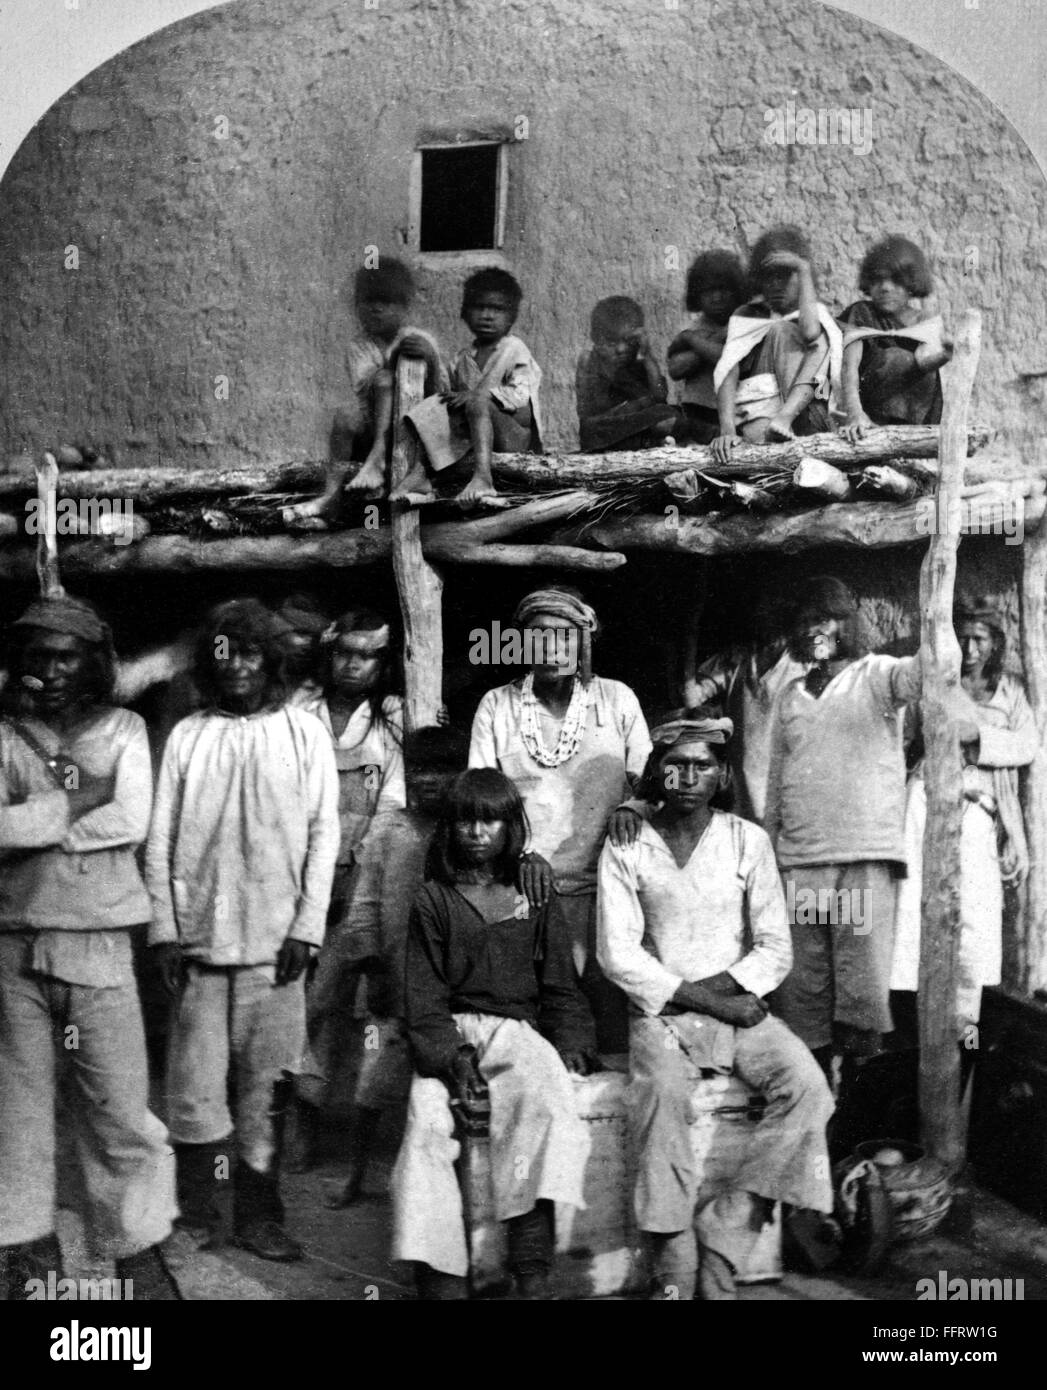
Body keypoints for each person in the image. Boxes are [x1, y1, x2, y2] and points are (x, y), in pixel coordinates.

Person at [597, 714, 834, 1299]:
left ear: (721, 774)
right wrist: (704, 1003)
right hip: (662, 1011)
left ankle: (727, 1231)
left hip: (735, 1002)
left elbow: (775, 946)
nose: (686, 776)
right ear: (656, 773)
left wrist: (720, 1001)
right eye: (674, 764)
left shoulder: (746, 840)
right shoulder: (628, 840)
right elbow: (617, 952)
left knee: (807, 1087)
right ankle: (673, 1259)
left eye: (701, 765)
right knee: (662, 1099)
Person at [146, 598, 340, 1263]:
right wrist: (166, 932)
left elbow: (324, 835)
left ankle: (260, 1216)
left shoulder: (304, 733)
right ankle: (197, 1213)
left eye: (250, 651)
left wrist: (307, 929)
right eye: (223, 651)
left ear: (272, 660)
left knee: (267, 1092)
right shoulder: (189, 736)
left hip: (276, 950)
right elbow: (160, 837)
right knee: (195, 1093)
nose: (236, 666)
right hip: (199, 948)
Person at [0, 596, 179, 1300]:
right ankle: (24, 1256)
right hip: (13, 944)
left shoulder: (124, 728)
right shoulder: (6, 732)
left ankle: (137, 1254)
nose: (50, 669)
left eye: (64, 655)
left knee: (119, 1109)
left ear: (93, 662)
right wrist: (78, 802)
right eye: (37, 655)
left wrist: (33, 823)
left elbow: (132, 819)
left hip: (99, 941)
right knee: (15, 1111)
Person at [390, 769, 598, 1300]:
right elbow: (425, 1001)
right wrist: (452, 1059)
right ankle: (441, 1274)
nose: (477, 832)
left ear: (511, 827)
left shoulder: (532, 889)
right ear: (449, 827)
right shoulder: (433, 899)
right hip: (450, 1033)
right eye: (465, 820)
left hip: (515, 1031)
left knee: (546, 1106)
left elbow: (559, 982)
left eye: (490, 820)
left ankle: (531, 1270)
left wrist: (572, 1038)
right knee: (428, 1123)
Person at [469, 585, 652, 1051]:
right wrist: (523, 852)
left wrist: (633, 804)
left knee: (612, 1014)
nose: (552, 649)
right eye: (538, 637)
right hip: (527, 885)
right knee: (541, 1015)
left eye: (564, 637)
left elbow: (650, 780)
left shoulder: (616, 700)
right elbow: (483, 797)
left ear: (584, 641)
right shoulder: (497, 706)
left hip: (609, 886)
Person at [764, 577, 922, 1084]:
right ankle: (812, 1097)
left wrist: (943, 628)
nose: (816, 629)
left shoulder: (878, 676)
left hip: (863, 855)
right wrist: (771, 849)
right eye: (807, 621)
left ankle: (858, 1108)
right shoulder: (789, 694)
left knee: (861, 986)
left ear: (848, 624)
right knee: (803, 985)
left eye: (827, 619)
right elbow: (775, 779)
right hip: (800, 859)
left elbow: (926, 676)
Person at [320, 725, 470, 1209]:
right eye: (420, 770)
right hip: (393, 980)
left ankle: (443, 1190)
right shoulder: (390, 831)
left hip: (450, 988)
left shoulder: (466, 832)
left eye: (442, 771)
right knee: (373, 1082)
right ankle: (357, 1175)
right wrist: (372, 968)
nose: (429, 781)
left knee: (446, 1087)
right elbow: (364, 906)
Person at [291, 607, 406, 1163]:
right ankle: (302, 1117)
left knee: (356, 1000)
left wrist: (356, 872)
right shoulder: (299, 708)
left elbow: (391, 806)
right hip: (297, 873)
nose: (354, 665)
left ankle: (359, 1131)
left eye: (368, 655)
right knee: (301, 1005)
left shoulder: (392, 718)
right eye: (345, 652)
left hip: (364, 881)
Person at [893, 597, 1036, 1029]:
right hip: (923, 800)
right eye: (964, 639)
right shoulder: (933, 684)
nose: (971, 649)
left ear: (995, 644)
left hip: (977, 810)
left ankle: (967, 1023)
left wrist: (976, 734)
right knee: (911, 908)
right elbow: (902, 739)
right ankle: (910, 1018)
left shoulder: (1009, 692)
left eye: (981, 640)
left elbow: (1027, 745)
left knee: (976, 916)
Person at [285, 257, 447, 520]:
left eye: (386, 302)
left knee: (385, 380)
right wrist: (394, 361)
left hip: (417, 429)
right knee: (346, 415)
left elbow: (438, 394)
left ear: (404, 307)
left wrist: (430, 357)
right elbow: (370, 391)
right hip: (378, 428)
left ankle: (377, 461)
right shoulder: (359, 346)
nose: (376, 309)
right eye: (368, 302)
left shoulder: (421, 340)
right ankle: (331, 493)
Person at [393, 267, 542, 507]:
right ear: (464, 313)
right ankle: (421, 474)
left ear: (512, 316)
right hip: (477, 437)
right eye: (479, 307)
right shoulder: (463, 358)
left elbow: (522, 398)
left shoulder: (515, 349)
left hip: (513, 438)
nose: (487, 315)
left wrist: (479, 396)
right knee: (435, 406)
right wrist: (431, 358)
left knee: (477, 401)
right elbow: (447, 397)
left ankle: (483, 477)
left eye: (497, 309)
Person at [711, 225, 842, 463]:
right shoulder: (748, 315)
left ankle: (785, 417)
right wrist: (727, 430)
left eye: (785, 275)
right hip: (759, 416)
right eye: (768, 277)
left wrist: (802, 269)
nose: (775, 285)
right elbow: (727, 370)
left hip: (804, 416)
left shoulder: (817, 315)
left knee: (814, 340)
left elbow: (811, 333)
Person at [680, 591, 807, 825]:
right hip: (743, 773)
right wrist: (686, 647)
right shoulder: (738, 658)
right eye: (762, 617)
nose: (766, 623)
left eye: (774, 617)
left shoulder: (802, 662)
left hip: (788, 772)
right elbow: (696, 695)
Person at [837, 235, 953, 440]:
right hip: (871, 412)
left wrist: (944, 354)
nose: (885, 288)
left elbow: (924, 361)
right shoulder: (862, 312)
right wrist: (855, 414)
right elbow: (849, 367)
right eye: (878, 280)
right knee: (896, 357)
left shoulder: (924, 319)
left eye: (895, 280)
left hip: (917, 415)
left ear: (911, 284)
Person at [575, 295, 678, 451]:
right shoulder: (588, 360)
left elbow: (660, 395)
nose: (621, 349)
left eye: (628, 341)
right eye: (611, 342)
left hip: (634, 428)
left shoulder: (637, 360)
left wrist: (647, 356)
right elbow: (596, 407)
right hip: (602, 432)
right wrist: (642, 404)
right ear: (596, 339)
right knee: (662, 417)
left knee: (669, 415)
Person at [666, 250, 747, 445]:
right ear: (697, 294)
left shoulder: (743, 320)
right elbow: (675, 369)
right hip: (697, 411)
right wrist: (703, 342)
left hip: (734, 415)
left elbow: (725, 358)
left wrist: (693, 341)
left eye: (723, 290)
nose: (717, 297)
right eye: (708, 291)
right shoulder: (696, 328)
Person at [273, 592, 329, 705]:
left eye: (316, 637)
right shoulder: (251, 682)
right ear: (277, 634)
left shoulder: (324, 690)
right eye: (302, 633)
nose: (310, 643)